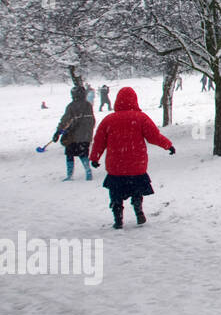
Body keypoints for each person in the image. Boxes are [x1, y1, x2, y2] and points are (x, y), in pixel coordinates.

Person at [89, 86, 174, 229]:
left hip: (116, 167)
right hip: (136, 165)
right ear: (135, 100)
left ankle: (118, 219)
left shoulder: (109, 120)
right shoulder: (141, 118)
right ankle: (139, 211)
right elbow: (154, 137)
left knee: (115, 194)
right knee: (137, 192)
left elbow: (99, 141)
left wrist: (95, 158)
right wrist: (168, 145)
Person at [53, 86, 96, 182]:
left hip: (74, 136)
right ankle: (88, 172)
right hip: (86, 135)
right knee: (83, 154)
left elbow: (65, 120)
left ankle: (69, 175)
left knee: (69, 154)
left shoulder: (71, 106)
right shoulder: (88, 105)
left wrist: (58, 131)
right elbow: (92, 120)